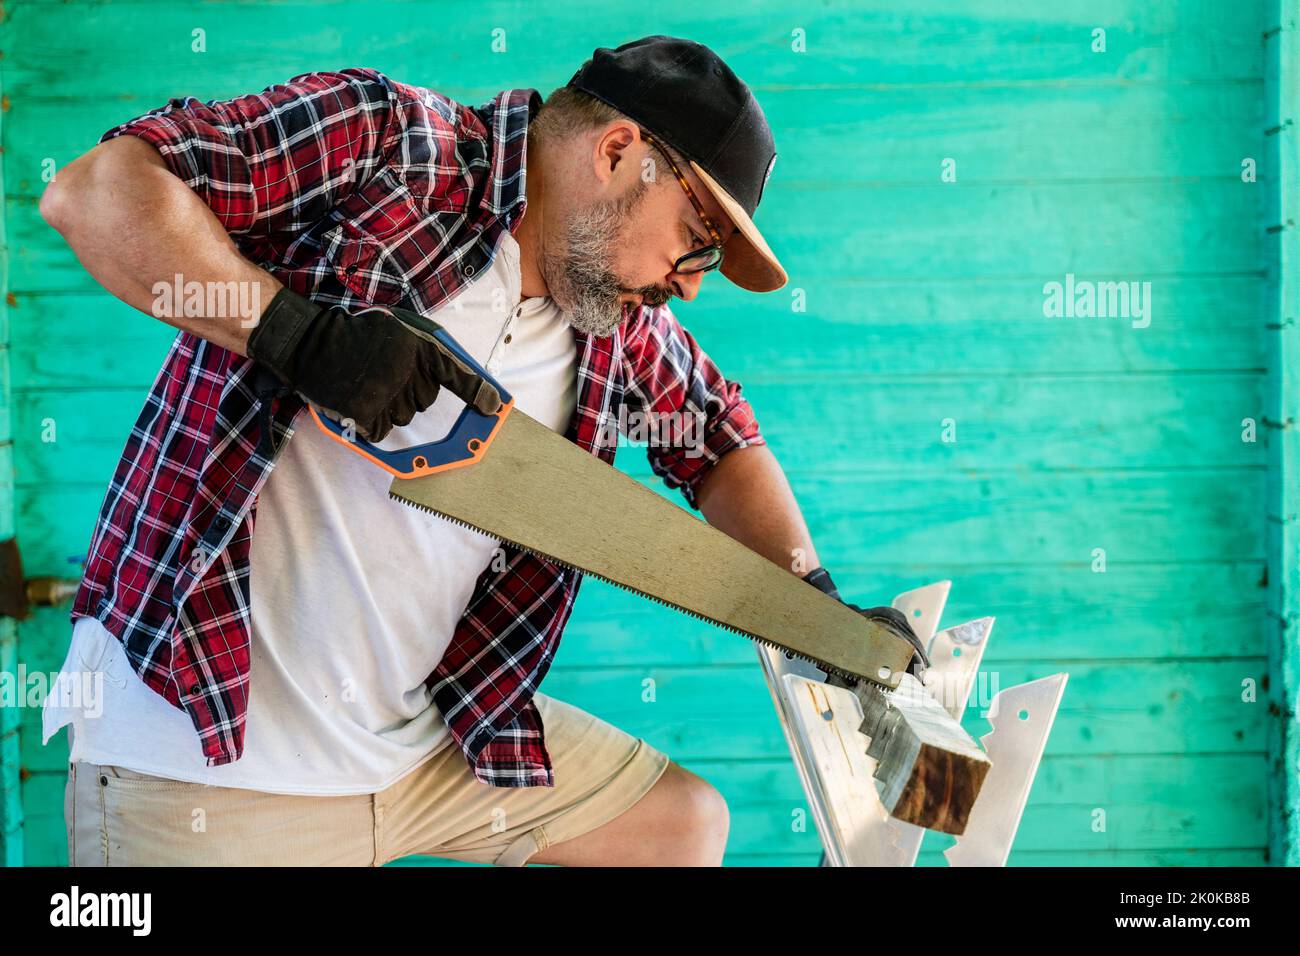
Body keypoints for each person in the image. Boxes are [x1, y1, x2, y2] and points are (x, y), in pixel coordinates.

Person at [38, 34, 919, 867]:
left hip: (416, 751)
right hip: (205, 751)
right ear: (618, 153)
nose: (689, 283)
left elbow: (719, 440)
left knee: (679, 825)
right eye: (700, 240)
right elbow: (97, 189)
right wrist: (296, 337)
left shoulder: (610, 320)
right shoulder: (387, 143)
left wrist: (815, 606)